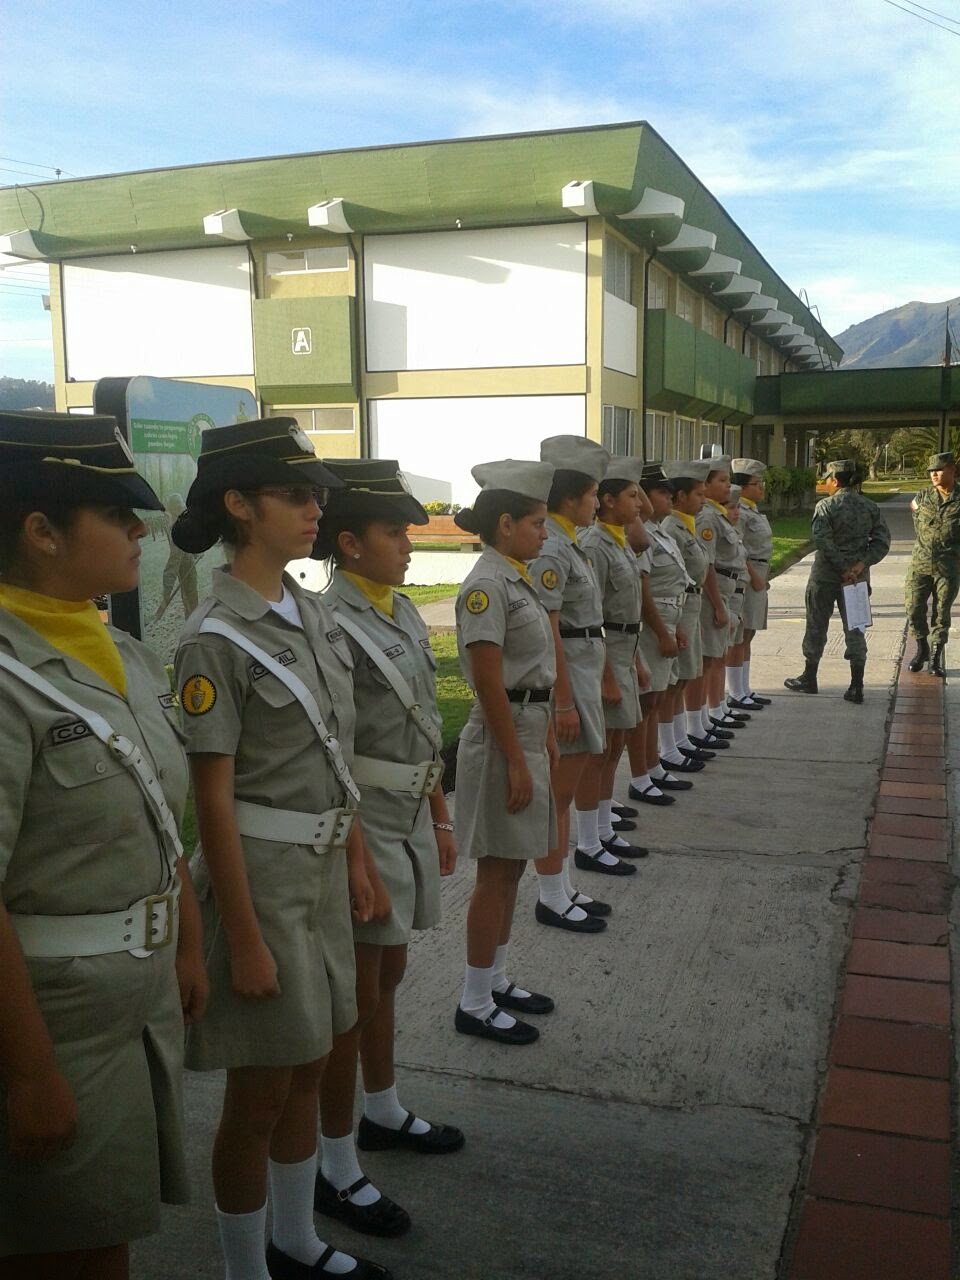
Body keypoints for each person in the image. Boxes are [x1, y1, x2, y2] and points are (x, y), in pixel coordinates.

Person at [172, 418, 391, 1280]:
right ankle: (245, 1268)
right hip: (260, 885)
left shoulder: (309, 610)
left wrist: (358, 860)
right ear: (239, 504)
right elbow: (211, 801)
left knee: (312, 1064)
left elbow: (336, 755)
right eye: (296, 495)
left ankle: (297, 1240)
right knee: (259, 1091)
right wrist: (244, 937)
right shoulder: (213, 637)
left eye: (317, 496)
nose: (315, 509)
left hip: (323, 873)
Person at [0, 411, 206, 1280]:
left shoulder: (123, 651)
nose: (139, 531)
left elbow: (157, 809)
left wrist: (186, 942)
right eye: (117, 515)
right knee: (62, 1251)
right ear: (41, 532)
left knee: (105, 1233)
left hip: (135, 1001)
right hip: (54, 1020)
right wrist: (28, 1074)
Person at [315, 460, 464, 1241]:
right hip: (364, 822)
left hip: (407, 814)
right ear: (349, 542)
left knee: (390, 974)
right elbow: (332, 749)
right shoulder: (330, 622)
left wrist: (439, 816)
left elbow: (420, 722)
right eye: (393, 532)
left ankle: (380, 1108)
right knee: (356, 994)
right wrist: (355, 856)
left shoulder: (399, 610)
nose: (408, 544)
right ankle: (334, 1162)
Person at [453, 460, 560, 1042]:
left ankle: (493, 979)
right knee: (495, 872)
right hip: (503, 736)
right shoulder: (487, 586)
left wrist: (544, 738)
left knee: (513, 865)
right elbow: (489, 683)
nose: (545, 533)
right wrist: (517, 759)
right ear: (505, 524)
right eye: (537, 523)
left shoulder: (516, 577)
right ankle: (473, 1001)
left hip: (527, 727)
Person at [535, 434, 640, 908]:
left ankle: (565, 885)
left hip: (584, 666)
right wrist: (562, 701)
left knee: (568, 788)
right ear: (571, 497)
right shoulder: (553, 548)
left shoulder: (568, 542)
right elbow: (549, 629)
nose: (598, 504)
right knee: (558, 797)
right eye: (594, 494)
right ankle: (551, 895)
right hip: (570, 676)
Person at [578, 458, 649, 859]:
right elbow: (594, 617)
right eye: (632, 496)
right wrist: (606, 674)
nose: (639, 504)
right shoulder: (595, 545)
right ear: (607, 500)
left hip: (624, 651)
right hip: (606, 655)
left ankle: (603, 828)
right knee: (599, 751)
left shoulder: (618, 540)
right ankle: (589, 842)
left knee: (616, 743)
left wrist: (635, 661)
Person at [784, 458, 891, 704]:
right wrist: (859, 566)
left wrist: (842, 567)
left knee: (816, 625)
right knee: (856, 629)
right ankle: (856, 685)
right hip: (856, 579)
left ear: (834, 480)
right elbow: (882, 541)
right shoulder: (869, 507)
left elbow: (822, 539)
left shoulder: (826, 506)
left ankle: (809, 677)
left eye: (827, 480)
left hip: (825, 576)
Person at [629, 462, 694, 804]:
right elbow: (643, 592)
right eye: (660, 492)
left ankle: (652, 766)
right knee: (645, 703)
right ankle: (640, 776)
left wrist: (676, 627)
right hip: (652, 627)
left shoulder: (660, 532)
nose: (669, 497)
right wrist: (662, 632)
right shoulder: (641, 534)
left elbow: (676, 582)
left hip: (670, 618)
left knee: (656, 700)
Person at [661, 460, 714, 770]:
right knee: (672, 683)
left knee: (681, 680)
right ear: (680, 496)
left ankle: (679, 739)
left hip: (689, 605)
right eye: (698, 494)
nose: (703, 500)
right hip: (678, 608)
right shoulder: (672, 528)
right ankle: (667, 747)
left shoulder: (685, 527)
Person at [692, 456, 743, 744]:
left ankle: (708, 716)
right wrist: (718, 605)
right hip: (714, 593)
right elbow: (707, 565)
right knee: (706, 660)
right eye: (722, 480)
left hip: (725, 589)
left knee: (715, 656)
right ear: (706, 484)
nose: (727, 486)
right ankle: (698, 723)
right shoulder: (708, 518)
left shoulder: (717, 515)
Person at [905, 451, 960, 677]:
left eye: (939, 470)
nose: (934, 474)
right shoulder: (922, 497)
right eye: (931, 471)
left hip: (948, 567)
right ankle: (922, 649)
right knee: (913, 608)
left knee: (941, 613)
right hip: (920, 564)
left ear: (952, 470)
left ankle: (936, 657)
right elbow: (916, 519)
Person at [729, 459, 773, 709]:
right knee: (741, 634)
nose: (762, 488)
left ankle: (744, 688)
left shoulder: (753, 510)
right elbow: (738, 547)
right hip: (748, 574)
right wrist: (753, 576)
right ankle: (736, 692)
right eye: (757, 483)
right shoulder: (740, 513)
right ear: (743, 487)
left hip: (759, 572)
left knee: (750, 632)